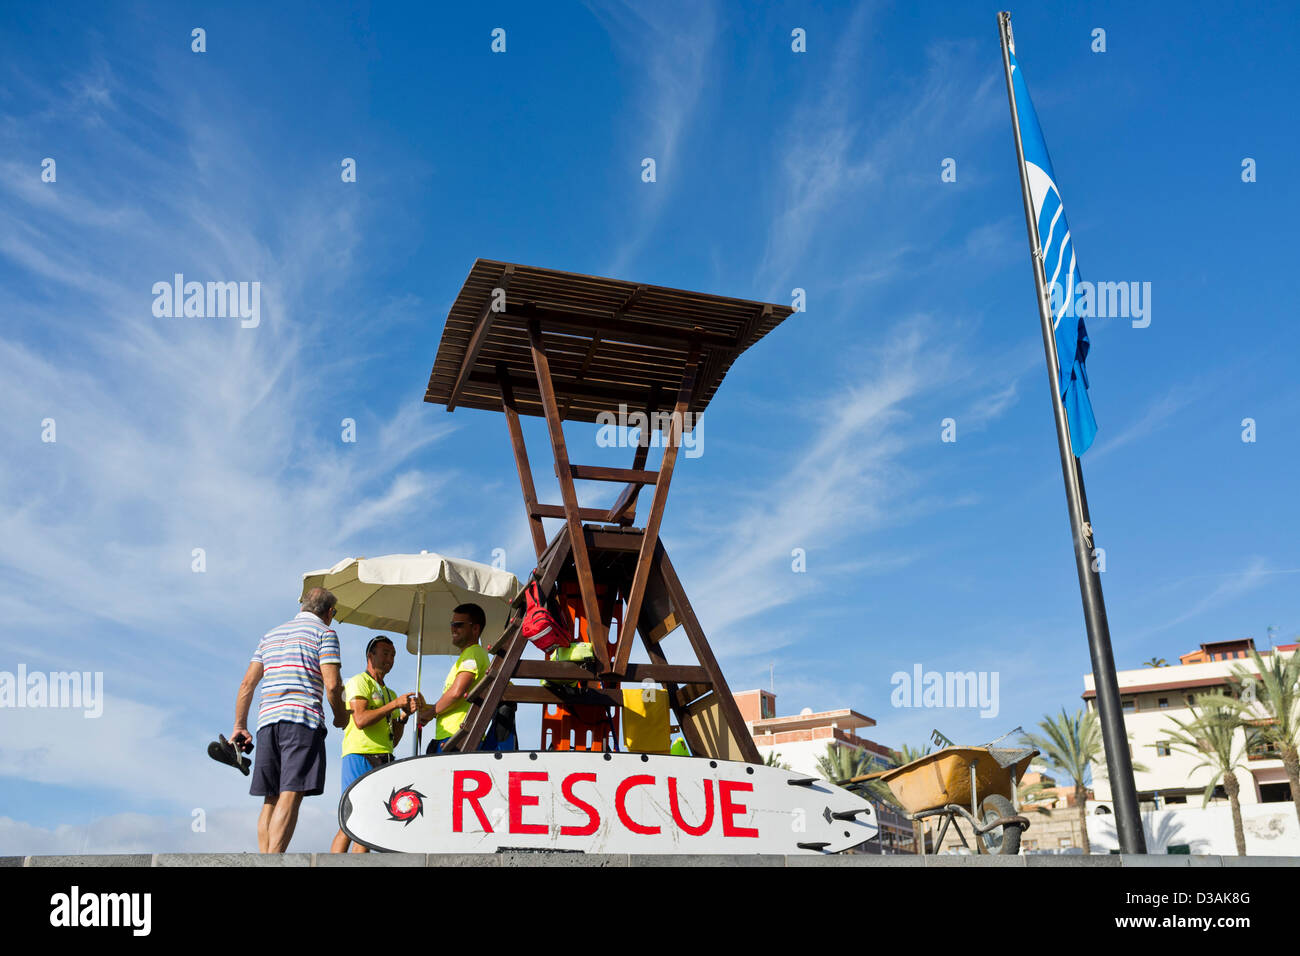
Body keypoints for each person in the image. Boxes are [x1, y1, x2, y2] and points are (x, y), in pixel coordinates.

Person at [231, 587, 349, 853]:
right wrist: (340, 716)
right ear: (330, 612)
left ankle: (265, 859)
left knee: (270, 797)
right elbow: (332, 685)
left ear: (302, 606)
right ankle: (274, 860)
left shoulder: (270, 635)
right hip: (302, 720)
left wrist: (240, 726)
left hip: (267, 723)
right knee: (291, 792)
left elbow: (247, 683)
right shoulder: (325, 633)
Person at [330, 636, 419, 853]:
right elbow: (360, 720)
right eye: (385, 653)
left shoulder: (391, 693)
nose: (390, 658)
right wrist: (393, 706)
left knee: (369, 822)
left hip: (383, 757)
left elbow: (394, 740)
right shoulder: (360, 681)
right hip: (359, 755)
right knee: (351, 816)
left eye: (393, 655)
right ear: (371, 655)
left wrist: (404, 717)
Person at [418, 603, 493, 754]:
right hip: (456, 736)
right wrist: (429, 708)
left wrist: (431, 712)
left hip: (459, 737)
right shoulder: (471, 655)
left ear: (475, 629)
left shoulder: (473, 653)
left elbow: (457, 692)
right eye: (452, 624)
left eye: (459, 625)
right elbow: (459, 699)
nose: (453, 629)